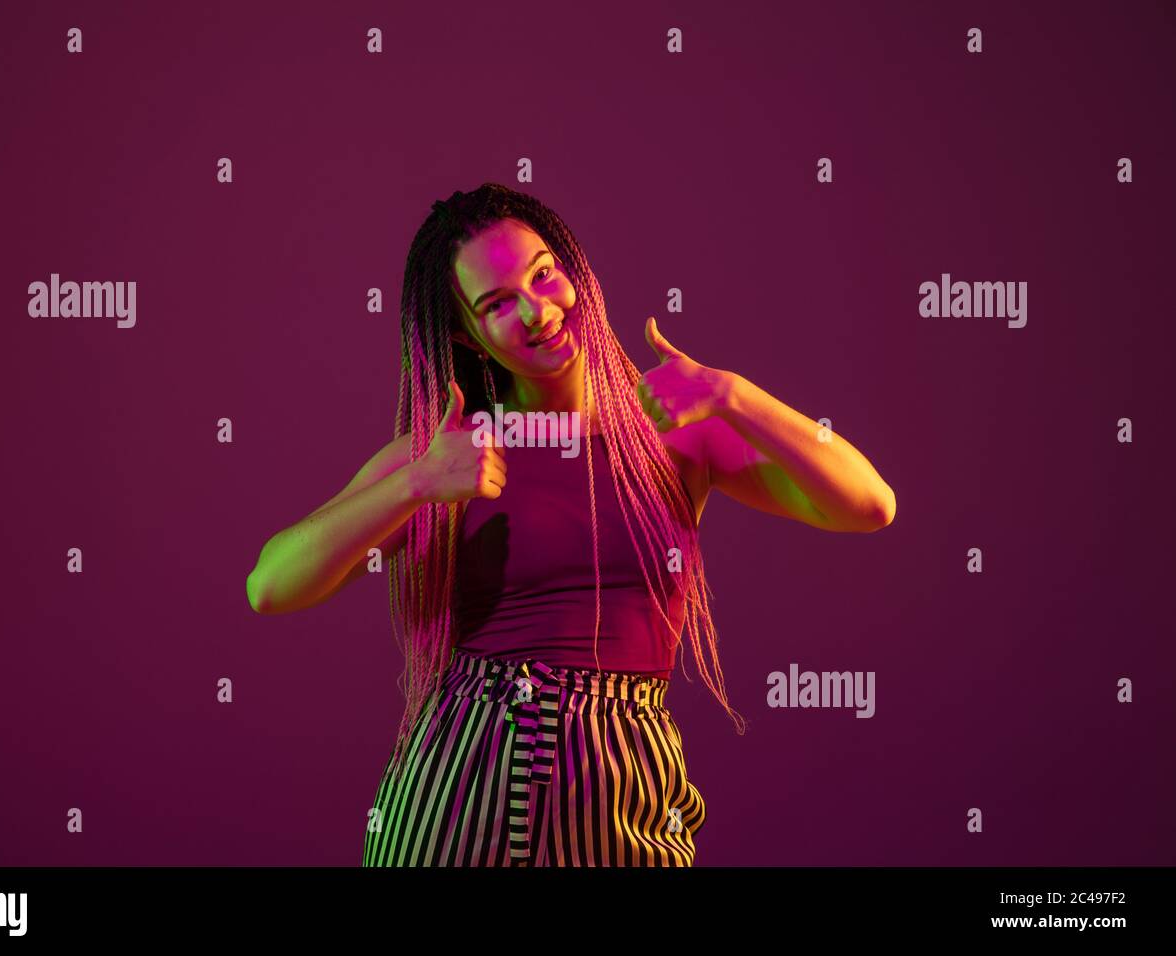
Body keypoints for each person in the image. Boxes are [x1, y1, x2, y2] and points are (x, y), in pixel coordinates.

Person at [244, 183, 896, 866]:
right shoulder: (450, 452)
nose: (537, 311)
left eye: (544, 275)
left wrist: (733, 395)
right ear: (468, 333)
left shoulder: (674, 438)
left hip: (624, 785)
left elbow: (868, 504)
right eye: (498, 304)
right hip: (456, 786)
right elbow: (271, 584)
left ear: (574, 270)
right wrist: (415, 483)